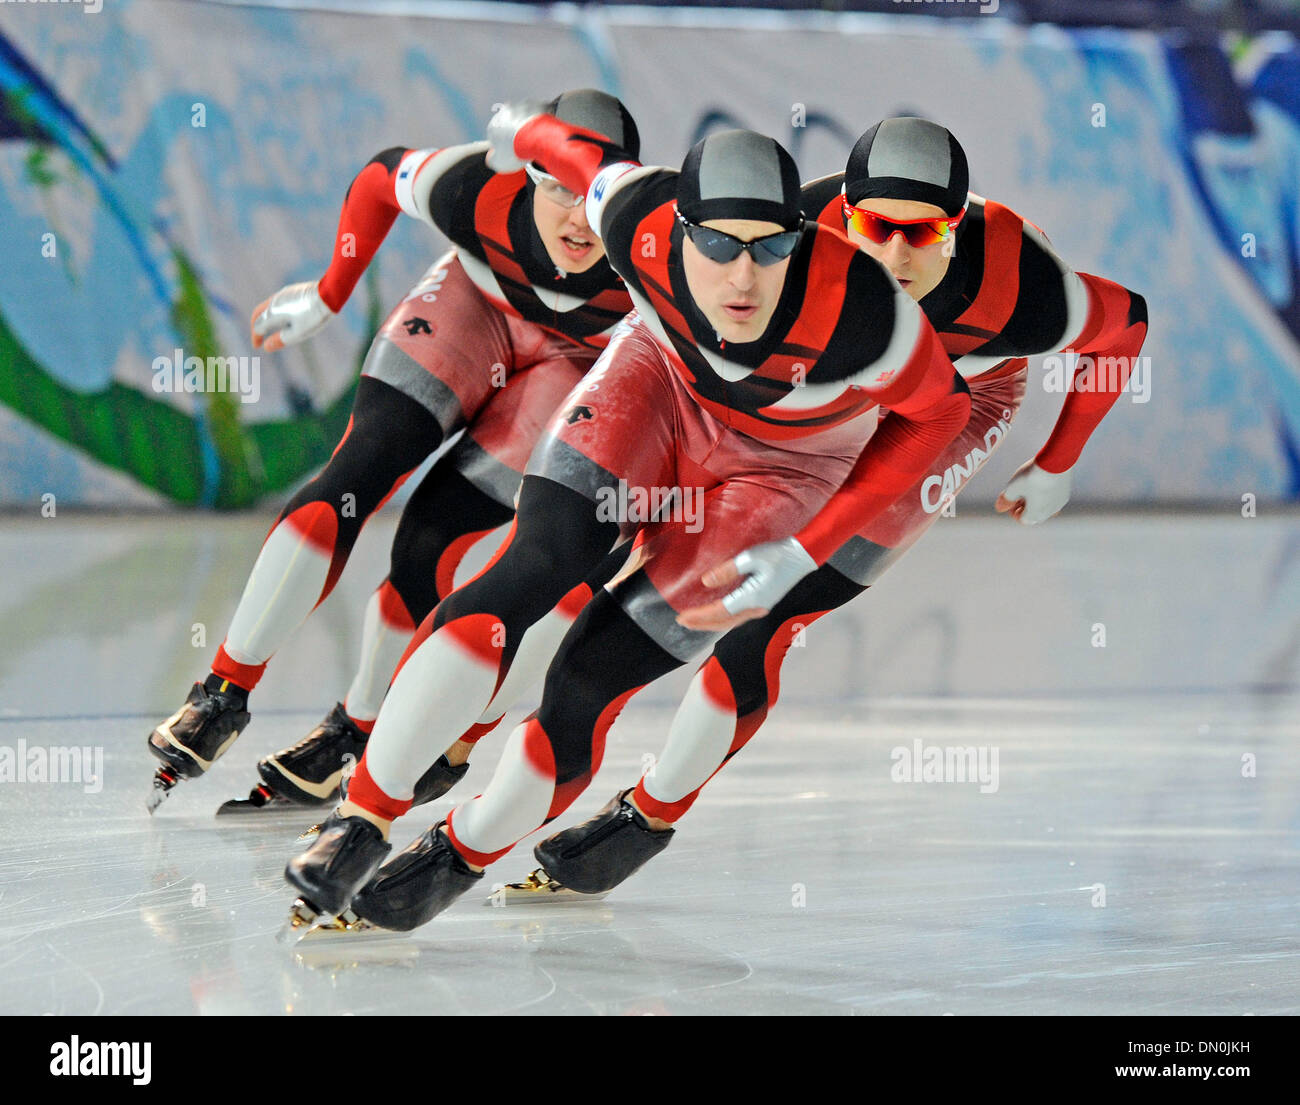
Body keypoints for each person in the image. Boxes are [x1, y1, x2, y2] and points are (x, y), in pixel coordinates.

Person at [281, 108, 973, 936]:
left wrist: (806, 549)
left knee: (590, 675)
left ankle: (459, 853)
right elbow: (560, 148)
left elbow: (938, 416)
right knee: (537, 562)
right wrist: (516, 128)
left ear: (804, 239)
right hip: (660, 386)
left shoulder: (871, 317)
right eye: (717, 245)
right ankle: (360, 814)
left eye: (771, 248)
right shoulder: (628, 208)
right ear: (675, 231)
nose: (743, 279)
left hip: (785, 466)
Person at [518, 116, 1151, 897]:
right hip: (841, 383)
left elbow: (1126, 324)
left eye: (924, 234)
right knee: (610, 541)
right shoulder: (787, 236)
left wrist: (1059, 460)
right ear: (841, 213)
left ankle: (650, 812)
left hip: (959, 396)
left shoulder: (1026, 291)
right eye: (877, 228)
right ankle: (497, 726)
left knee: (770, 618)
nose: (895, 254)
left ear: (957, 229)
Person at [145, 90, 640, 814]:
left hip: (574, 360)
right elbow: (382, 177)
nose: (576, 215)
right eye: (558, 182)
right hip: (473, 306)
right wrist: (328, 291)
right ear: (528, 168)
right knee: (361, 465)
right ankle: (223, 691)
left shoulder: (647, 236)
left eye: (593, 190)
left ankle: (355, 730)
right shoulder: (475, 186)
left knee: (432, 535)